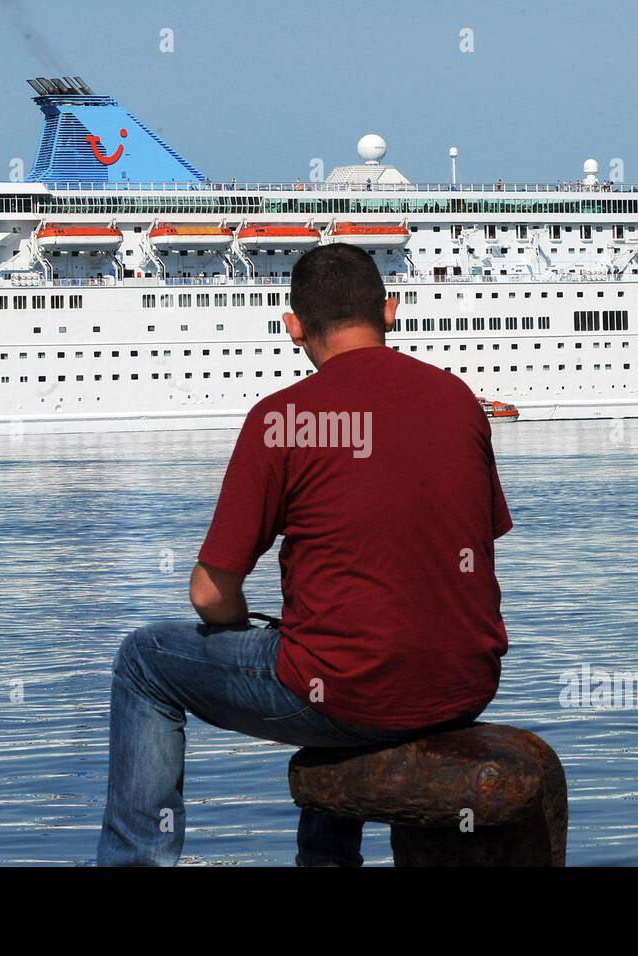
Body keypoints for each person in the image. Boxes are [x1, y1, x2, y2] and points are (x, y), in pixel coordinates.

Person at [96, 243, 512, 867]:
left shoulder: (280, 419)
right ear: (390, 311)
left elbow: (209, 593)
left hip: (348, 692)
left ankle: (135, 863)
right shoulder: (458, 401)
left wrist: (233, 624)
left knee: (145, 660)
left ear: (293, 327)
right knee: (330, 645)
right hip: (463, 684)